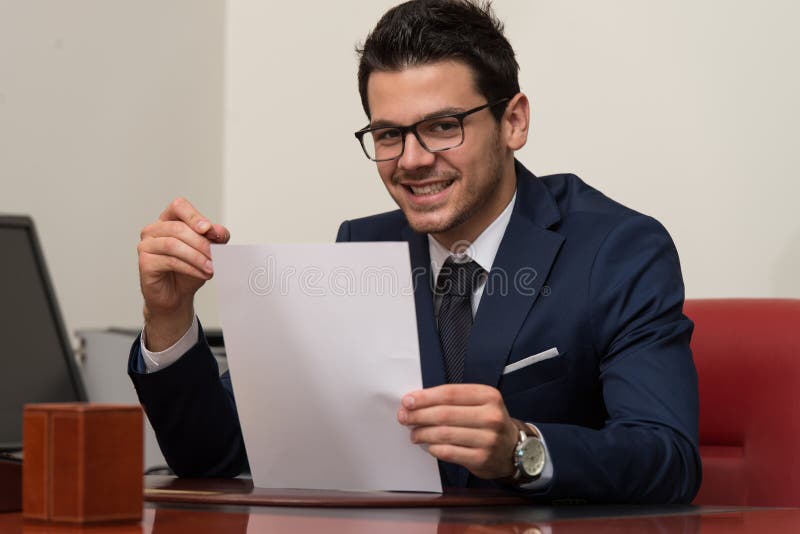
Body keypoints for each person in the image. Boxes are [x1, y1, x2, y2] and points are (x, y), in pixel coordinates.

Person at [129, 0, 700, 503]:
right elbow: (214, 454)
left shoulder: (617, 250)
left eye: (443, 126)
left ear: (514, 122)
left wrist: (523, 450)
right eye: (388, 135)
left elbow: (668, 457)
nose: (412, 159)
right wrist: (171, 317)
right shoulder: (362, 247)